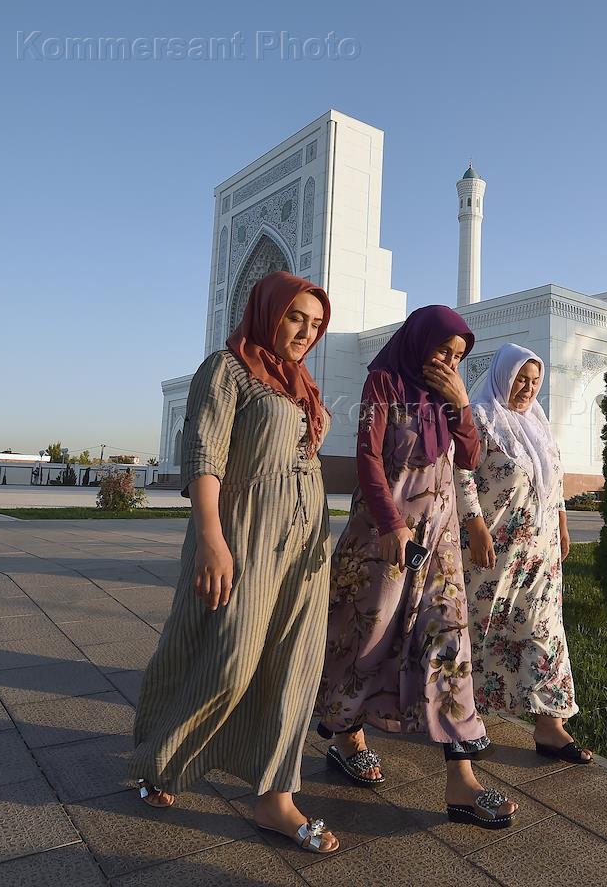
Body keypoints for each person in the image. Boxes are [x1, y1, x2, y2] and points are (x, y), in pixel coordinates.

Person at [130, 272, 339, 855]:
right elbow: (204, 456)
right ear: (269, 312)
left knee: (293, 666)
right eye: (296, 316)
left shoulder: (300, 386)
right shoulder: (227, 371)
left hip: (304, 546)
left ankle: (275, 798)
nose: (305, 331)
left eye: (316, 324)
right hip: (244, 538)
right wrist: (210, 540)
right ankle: (159, 759)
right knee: (231, 659)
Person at [317, 305, 518, 830]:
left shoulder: (450, 396)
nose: (448, 362)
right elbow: (368, 460)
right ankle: (345, 735)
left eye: (458, 356)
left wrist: (458, 403)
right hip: (384, 538)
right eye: (442, 351)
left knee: (448, 644)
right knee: (365, 638)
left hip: (440, 541)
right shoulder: (382, 382)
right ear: (418, 341)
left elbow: (470, 457)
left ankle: (462, 782)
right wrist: (390, 527)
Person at [456, 344, 591, 765]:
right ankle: (464, 716)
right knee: (483, 626)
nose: (528, 389)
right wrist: (475, 524)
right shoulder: (479, 418)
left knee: (545, 630)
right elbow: (461, 472)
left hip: (541, 552)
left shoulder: (537, 422)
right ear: (502, 376)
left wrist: (563, 522)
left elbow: (554, 474)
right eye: (520, 380)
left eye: (535, 382)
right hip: (492, 549)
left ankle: (550, 725)